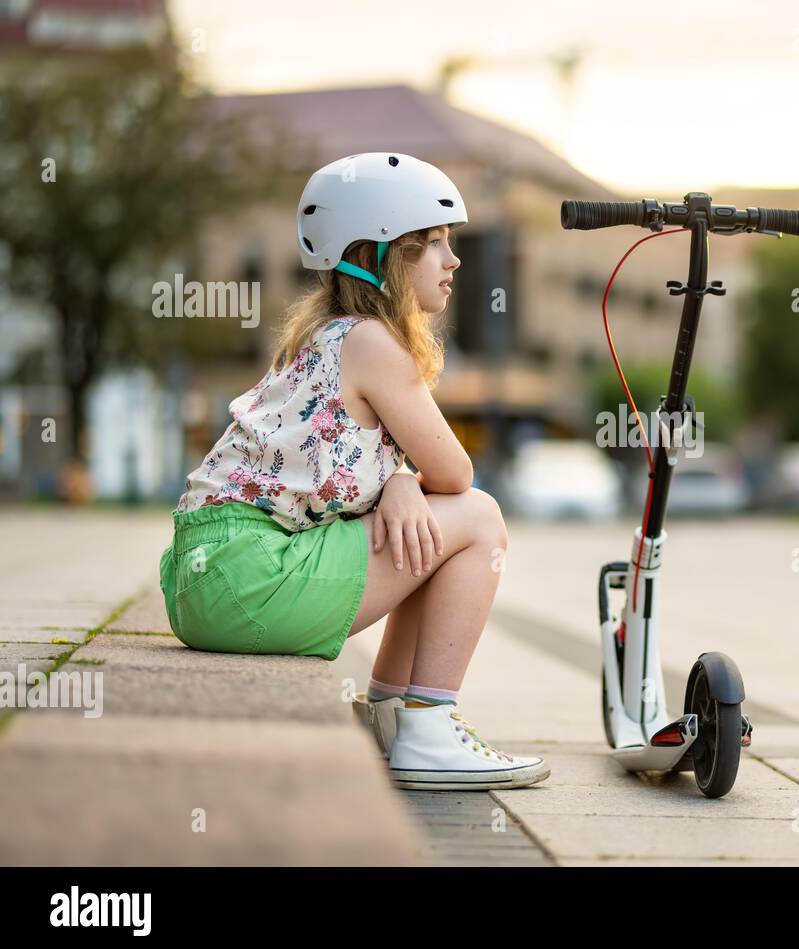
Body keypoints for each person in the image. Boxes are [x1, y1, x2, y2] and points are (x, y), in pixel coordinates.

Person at [158, 152, 548, 790]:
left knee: (428, 526)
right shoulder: (373, 343)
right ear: (382, 255)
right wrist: (405, 481)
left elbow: (337, 468)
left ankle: (392, 719)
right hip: (246, 576)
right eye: (434, 245)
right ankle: (427, 725)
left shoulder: (326, 336)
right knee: (478, 519)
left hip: (205, 576)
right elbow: (455, 473)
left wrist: (397, 481)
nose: (453, 262)